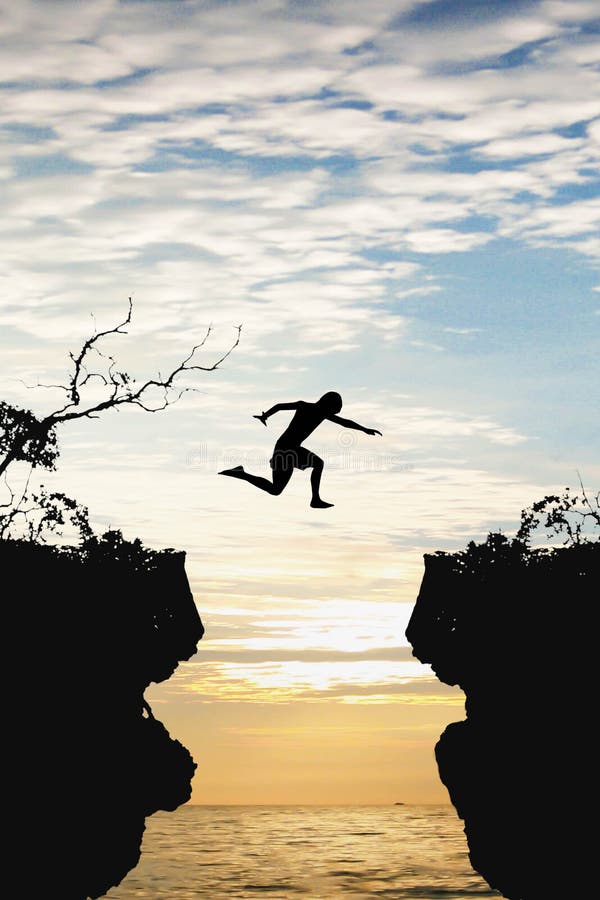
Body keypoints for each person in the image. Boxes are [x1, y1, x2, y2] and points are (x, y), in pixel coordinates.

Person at [219, 391, 382, 508]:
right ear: (327, 404)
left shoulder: (319, 412)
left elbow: (345, 422)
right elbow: (281, 406)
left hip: (292, 449)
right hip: (285, 449)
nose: (331, 414)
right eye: (332, 410)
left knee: (278, 488)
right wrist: (265, 416)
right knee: (280, 487)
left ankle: (242, 473)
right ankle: (242, 474)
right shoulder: (307, 407)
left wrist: (364, 429)